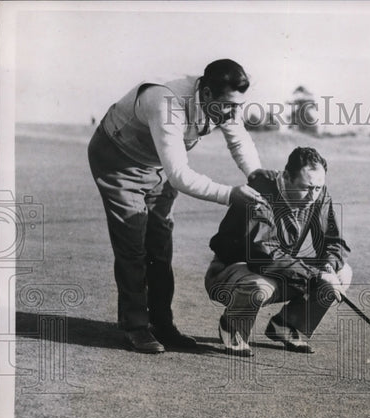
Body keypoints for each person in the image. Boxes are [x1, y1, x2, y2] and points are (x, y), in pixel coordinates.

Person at [88, 59, 272, 353]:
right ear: (207, 93)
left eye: (240, 105)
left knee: (159, 245)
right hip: (118, 161)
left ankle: (162, 324)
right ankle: (135, 327)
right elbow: (180, 175)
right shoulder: (166, 103)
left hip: (157, 163)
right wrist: (230, 194)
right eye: (229, 106)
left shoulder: (225, 101)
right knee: (133, 244)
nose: (234, 113)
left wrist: (255, 175)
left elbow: (240, 141)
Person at [205, 147, 352, 357]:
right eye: (306, 187)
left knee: (342, 272)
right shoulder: (260, 192)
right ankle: (232, 326)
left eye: (318, 188)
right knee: (260, 286)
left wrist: (329, 265)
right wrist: (317, 275)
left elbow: (334, 242)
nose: (313, 195)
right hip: (230, 272)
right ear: (287, 177)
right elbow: (264, 256)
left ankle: (287, 324)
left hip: (278, 270)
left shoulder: (317, 194)